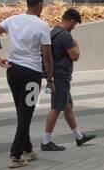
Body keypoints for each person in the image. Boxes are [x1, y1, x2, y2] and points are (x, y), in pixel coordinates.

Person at [0, 0, 53, 169]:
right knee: (27, 114)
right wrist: (50, 78)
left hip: (13, 71)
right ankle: (16, 155)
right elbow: (47, 56)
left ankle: (27, 148)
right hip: (32, 73)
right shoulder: (42, 25)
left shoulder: (13, 20)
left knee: (22, 112)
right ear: (39, 5)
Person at [40, 9, 96, 152]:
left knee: (67, 106)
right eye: (75, 24)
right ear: (71, 21)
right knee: (56, 107)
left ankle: (79, 136)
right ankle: (46, 141)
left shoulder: (53, 32)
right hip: (60, 76)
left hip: (56, 75)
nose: (74, 27)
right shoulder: (64, 35)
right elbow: (74, 56)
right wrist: (76, 45)